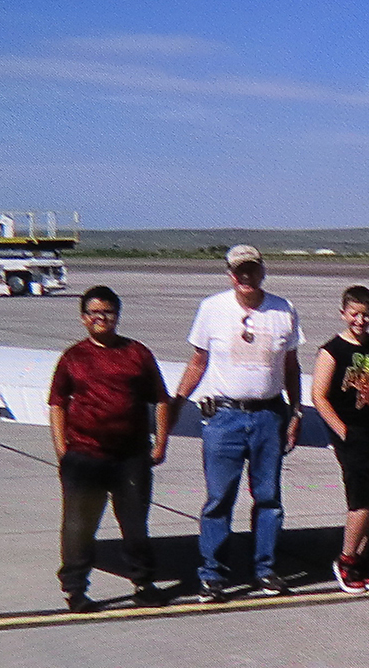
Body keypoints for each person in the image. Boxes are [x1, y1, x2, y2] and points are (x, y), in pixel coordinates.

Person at [171, 245, 304, 602]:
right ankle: (212, 575)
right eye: (239, 271)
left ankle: (265, 569)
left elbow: (291, 367)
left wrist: (296, 413)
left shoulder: (284, 309)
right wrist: (175, 403)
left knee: (268, 498)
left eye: (252, 270)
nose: (246, 277)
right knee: (218, 499)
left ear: (263, 271)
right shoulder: (212, 309)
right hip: (224, 418)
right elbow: (198, 362)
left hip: (269, 415)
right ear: (230, 274)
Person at [47, 286, 171, 612]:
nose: (101, 318)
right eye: (94, 313)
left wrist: (160, 442)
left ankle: (143, 584)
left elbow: (159, 399)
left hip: (131, 457)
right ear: (83, 318)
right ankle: (75, 590)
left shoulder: (137, 354)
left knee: (134, 524)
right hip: (85, 457)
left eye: (108, 312)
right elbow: (57, 404)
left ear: (117, 315)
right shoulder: (73, 358)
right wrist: (63, 450)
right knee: (78, 527)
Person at [311, 285, 369, 594]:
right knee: (361, 499)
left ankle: (362, 561)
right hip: (352, 432)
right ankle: (346, 559)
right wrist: (343, 432)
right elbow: (319, 397)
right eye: (354, 314)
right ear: (343, 314)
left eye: (366, 315)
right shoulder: (332, 350)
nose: (360, 320)